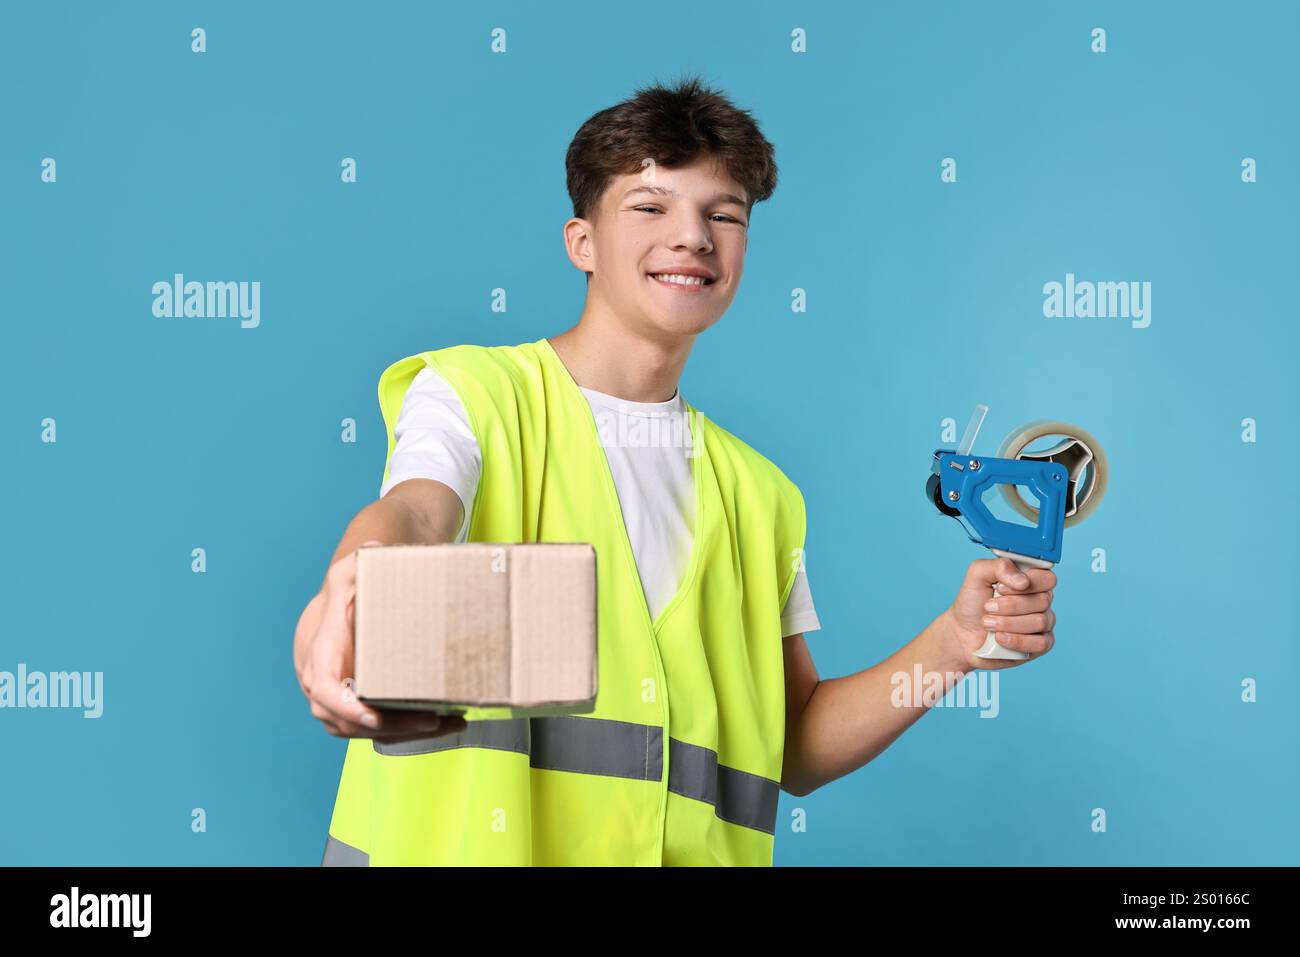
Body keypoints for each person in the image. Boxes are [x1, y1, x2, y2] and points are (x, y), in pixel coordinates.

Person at [293, 75, 1057, 866]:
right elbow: (418, 512)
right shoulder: (473, 394)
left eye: (722, 214)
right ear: (581, 241)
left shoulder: (762, 498)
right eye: (650, 206)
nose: (692, 236)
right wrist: (354, 582)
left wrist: (955, 644)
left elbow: (790, 745)